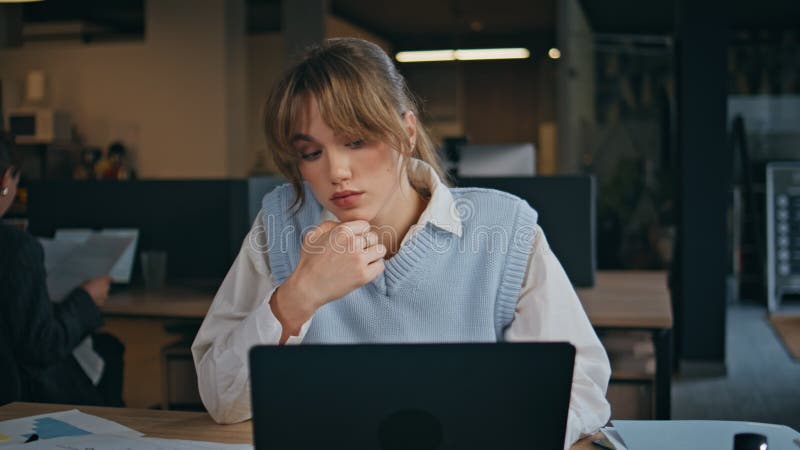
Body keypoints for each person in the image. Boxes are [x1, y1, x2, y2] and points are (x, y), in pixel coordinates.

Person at [192, 38, 611, 448]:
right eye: (311, 153)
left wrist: (500, 434)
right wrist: (298, 296)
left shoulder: (503, 229)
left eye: (355, 141)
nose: (337, 171)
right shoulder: (280, 225)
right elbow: (221, 400)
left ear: (406, 132)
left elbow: (582, 387)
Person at [0, 132, 124, 406]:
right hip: (16, 406)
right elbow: (42, 346)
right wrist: (86, 300)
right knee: (106, 356)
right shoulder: (18, 249)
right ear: (6, 180)